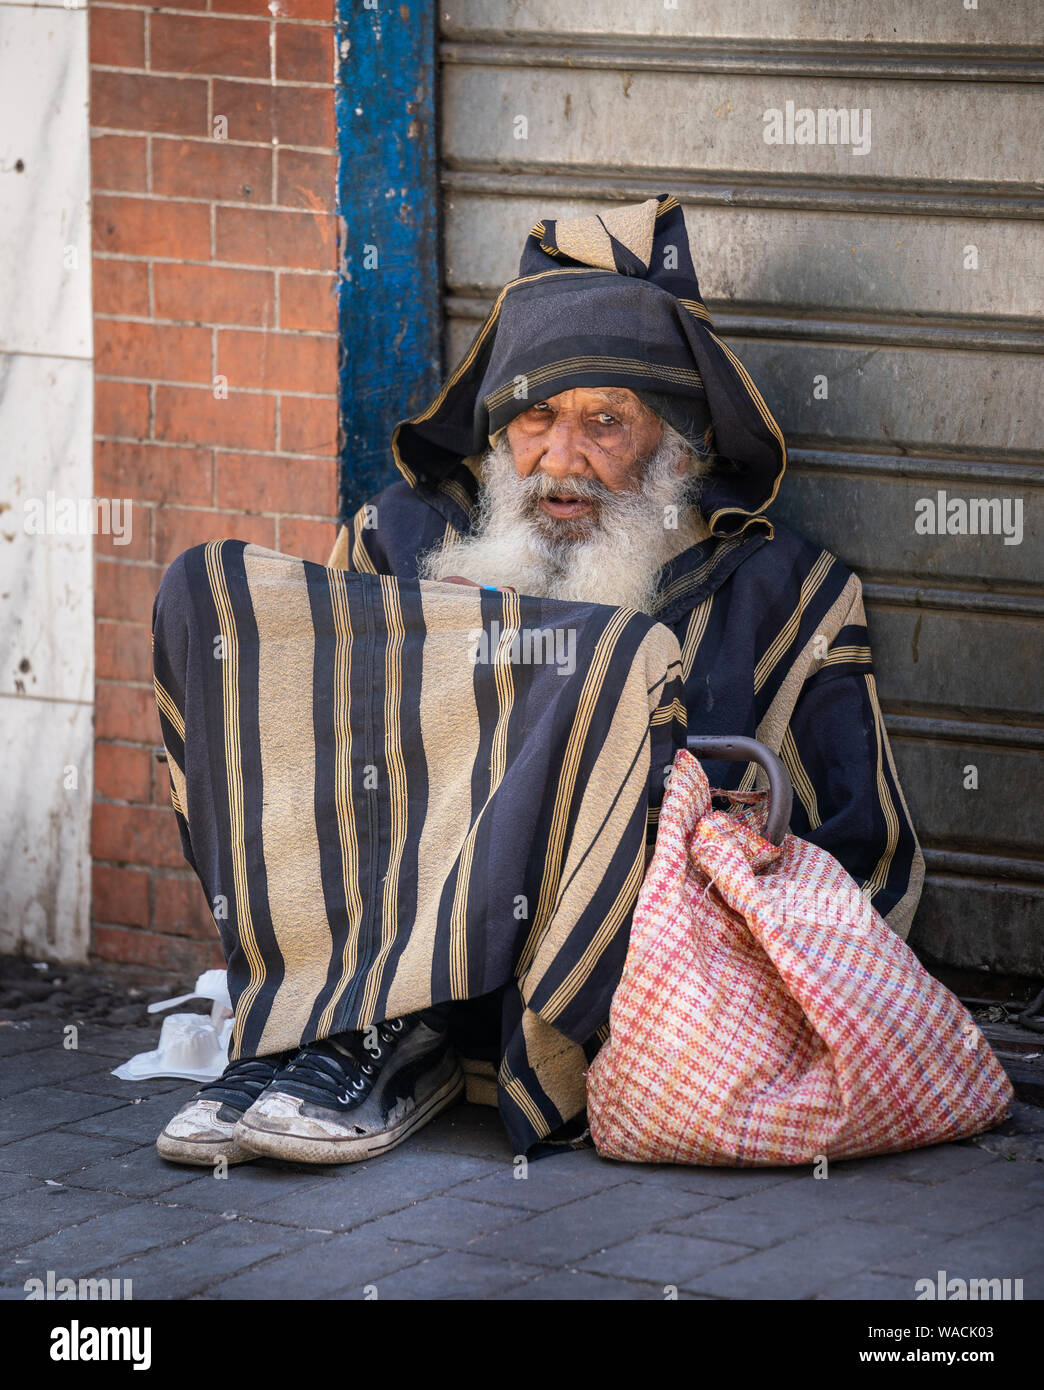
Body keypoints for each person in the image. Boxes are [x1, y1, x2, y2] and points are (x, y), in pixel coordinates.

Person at [156, 193, 922, 1169]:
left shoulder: (788, 597)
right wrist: (439, 639)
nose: (561, 461)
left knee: (595, 659)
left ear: (678, 447)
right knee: (207, 596)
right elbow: (312, 764)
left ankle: (402, 1036)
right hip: (361, 959)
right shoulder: (403, 539)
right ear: (491, 434)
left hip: (606, 993)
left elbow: (867, 868)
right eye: (533, 418)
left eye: (606, 423)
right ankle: (337, 1027)